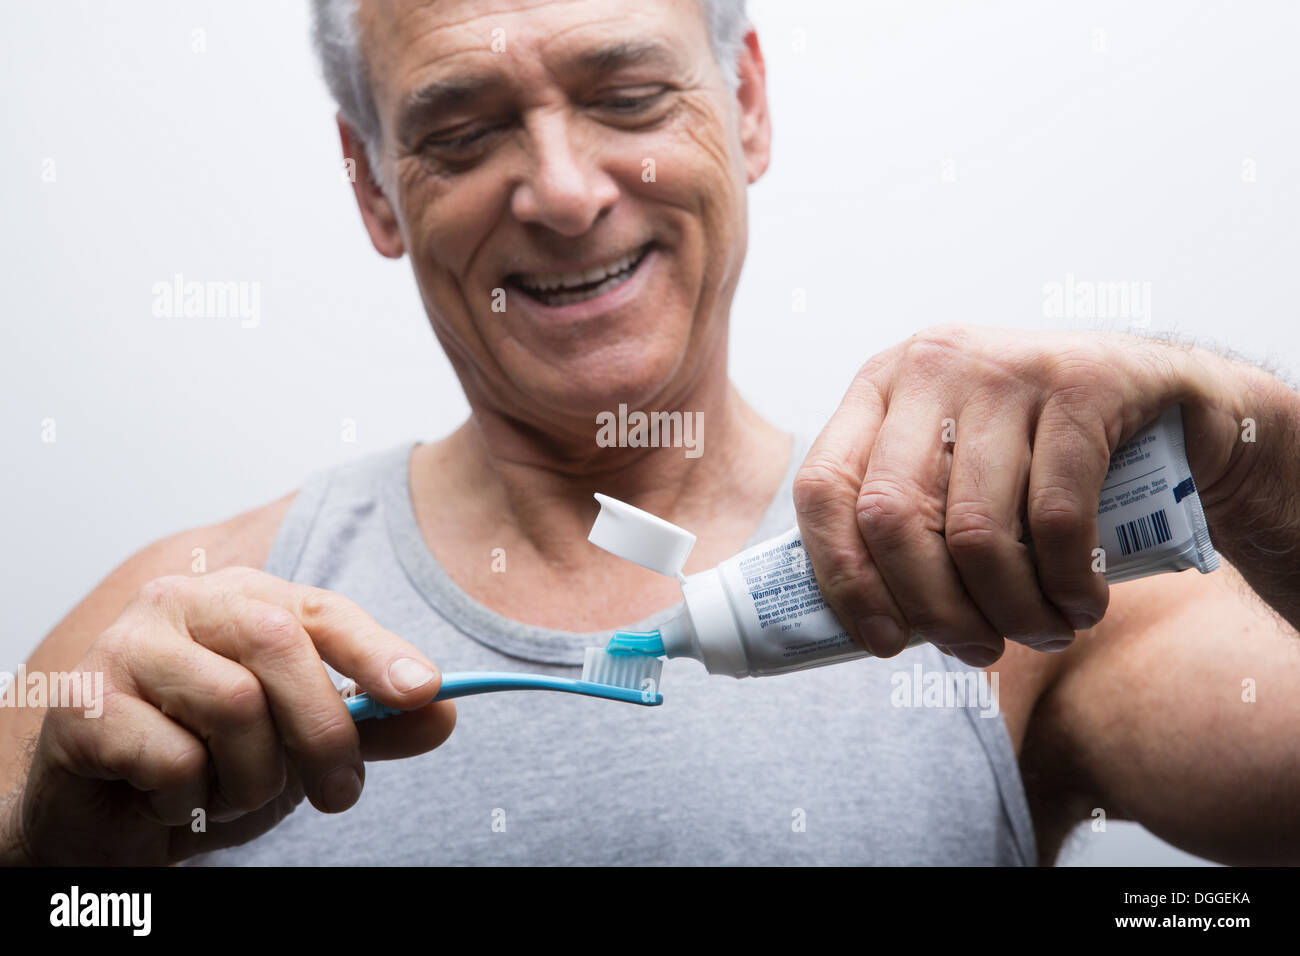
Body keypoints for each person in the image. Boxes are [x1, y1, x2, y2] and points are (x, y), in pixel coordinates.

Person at [3, 0, 1298, 866]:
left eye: (626, 95)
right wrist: (61, 876)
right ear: (372, 183)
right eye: (463, 131)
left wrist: (1238, 443)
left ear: (746, 103)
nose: (564, 195)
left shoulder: (1020, 584)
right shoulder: (169, 638)